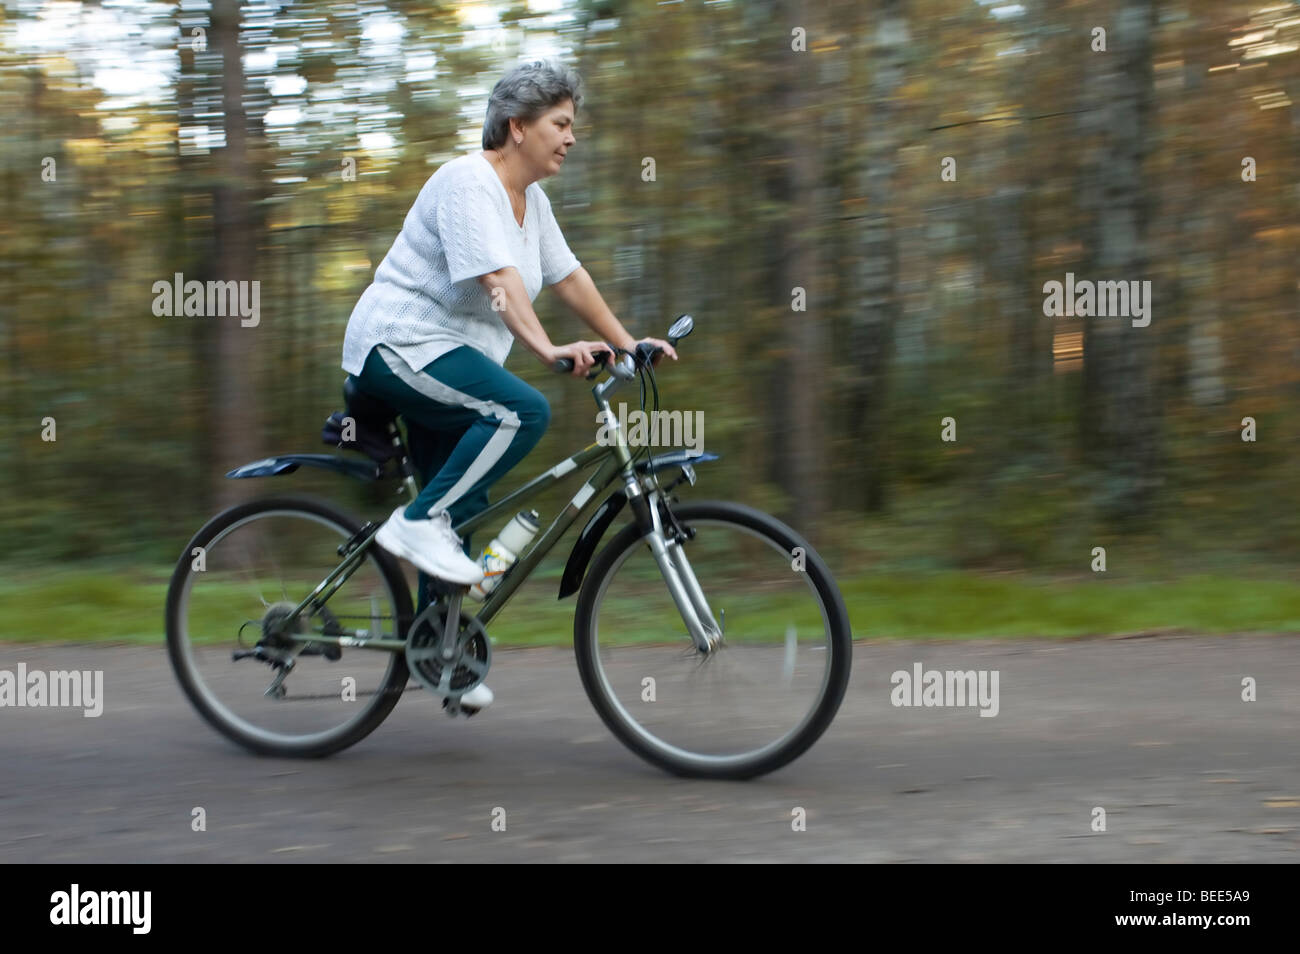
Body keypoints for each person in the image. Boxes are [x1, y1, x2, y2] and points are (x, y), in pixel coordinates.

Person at [340, 60, 676, 709]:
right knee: (520, 412)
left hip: (449, 358)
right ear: (518, 126)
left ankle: (437, 654)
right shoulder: (470, 181)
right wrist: (548, 348)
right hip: (398, 346)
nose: (571, 137)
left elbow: (569, 277)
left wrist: (628, 343)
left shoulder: (534, 203)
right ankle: (413, 524)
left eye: (572, 125)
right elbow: (500, 282)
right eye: (561, 123)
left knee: (467, 510)